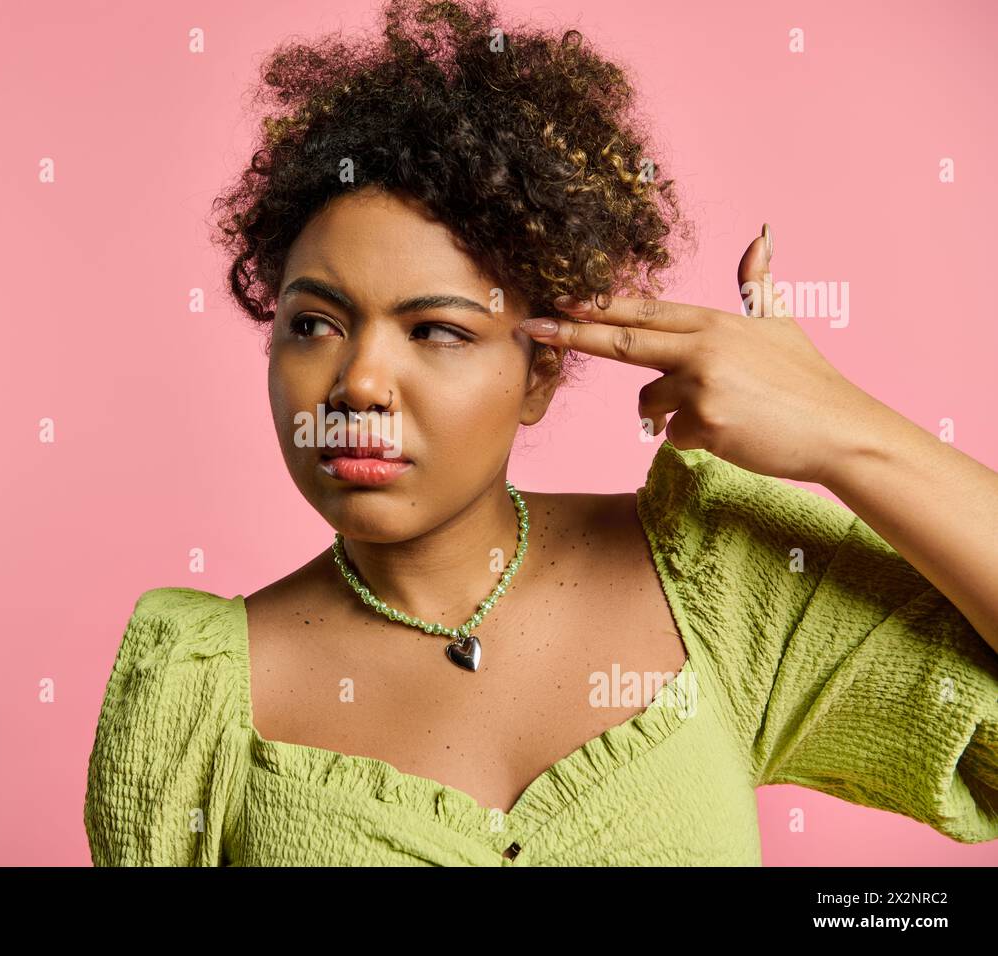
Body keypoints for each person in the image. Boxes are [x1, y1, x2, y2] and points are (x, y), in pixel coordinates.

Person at [84, 0, 998, 865]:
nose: (358, 381)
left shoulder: (715, 585)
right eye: (314, 323)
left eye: (436, 329)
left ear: (541, 373)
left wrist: (849, 434)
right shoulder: (198, 691)